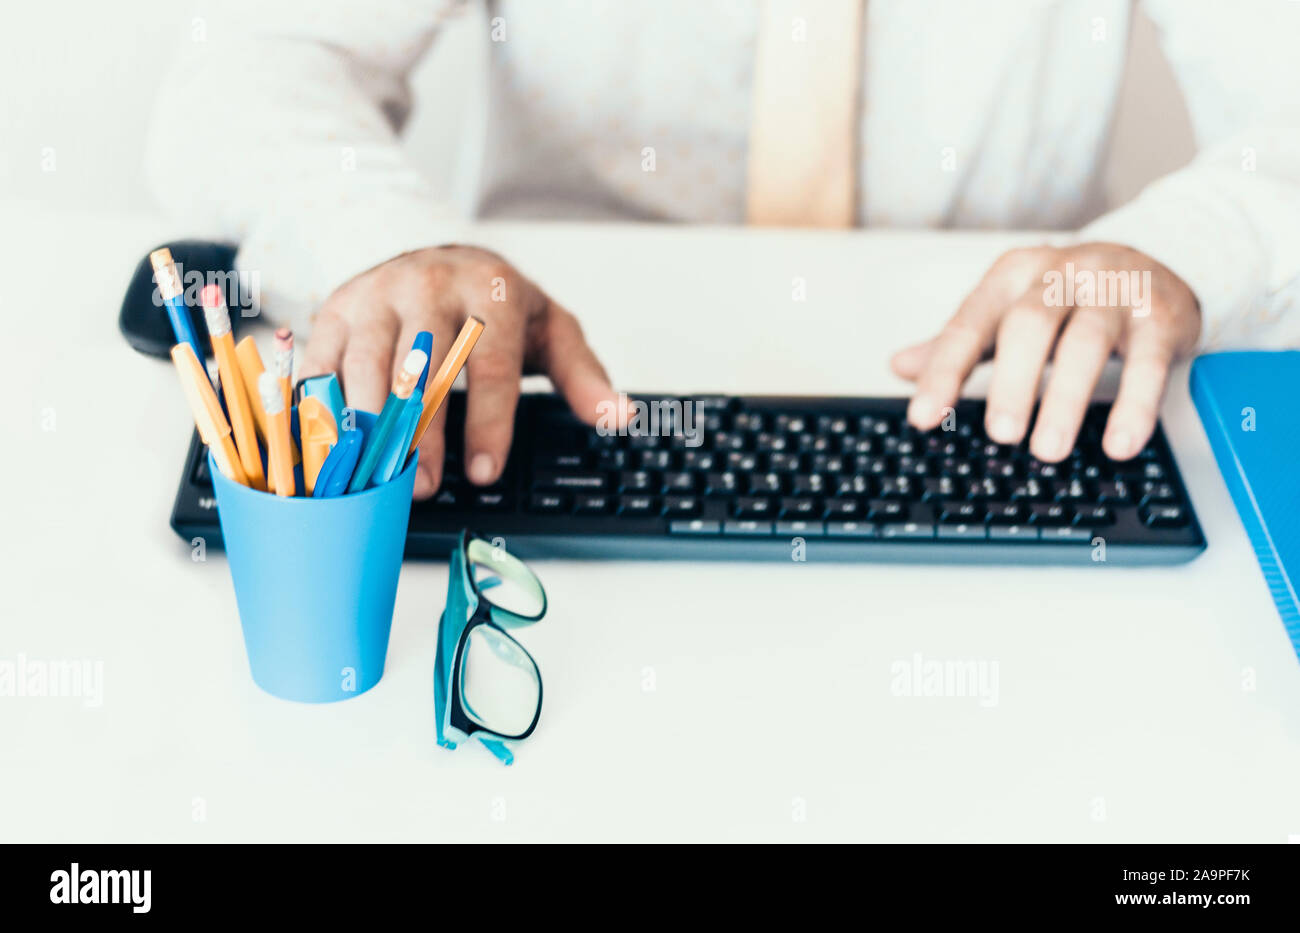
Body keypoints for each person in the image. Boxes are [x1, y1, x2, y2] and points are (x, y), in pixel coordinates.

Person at [146, 0, 1300, 500]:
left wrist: (1182, 249)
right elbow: (253, 58)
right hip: (544, 391)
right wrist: (387, 246)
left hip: (1011, 403)